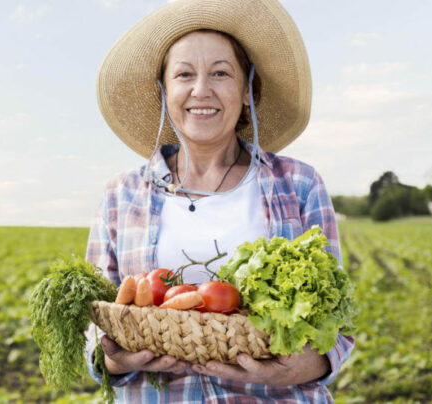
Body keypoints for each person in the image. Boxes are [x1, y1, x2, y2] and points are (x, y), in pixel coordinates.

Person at [83, 0, 354, 402]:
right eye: (184, 75)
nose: (201, 90)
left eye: (221, 73)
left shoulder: (299, 184)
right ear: (164, 92)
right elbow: (94, 331)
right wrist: (117, 361)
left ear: (247, 91)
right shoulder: (121, 196)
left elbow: (336, 322)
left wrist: (303, 367)